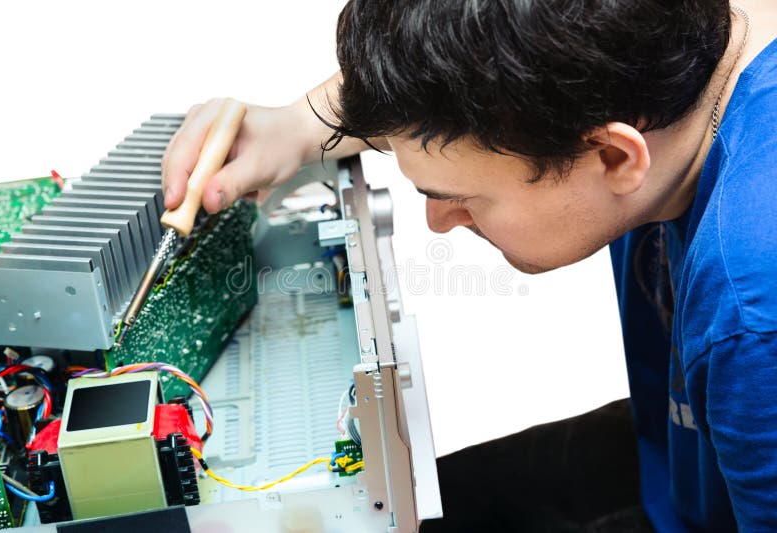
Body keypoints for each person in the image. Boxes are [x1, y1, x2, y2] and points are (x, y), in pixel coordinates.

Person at [161, 1, 777, 530]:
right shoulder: (703, 35)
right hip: (681, 451)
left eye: (461, 196)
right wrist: (297, 126)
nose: (438, 221)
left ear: (614, 156)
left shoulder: (751, 316)